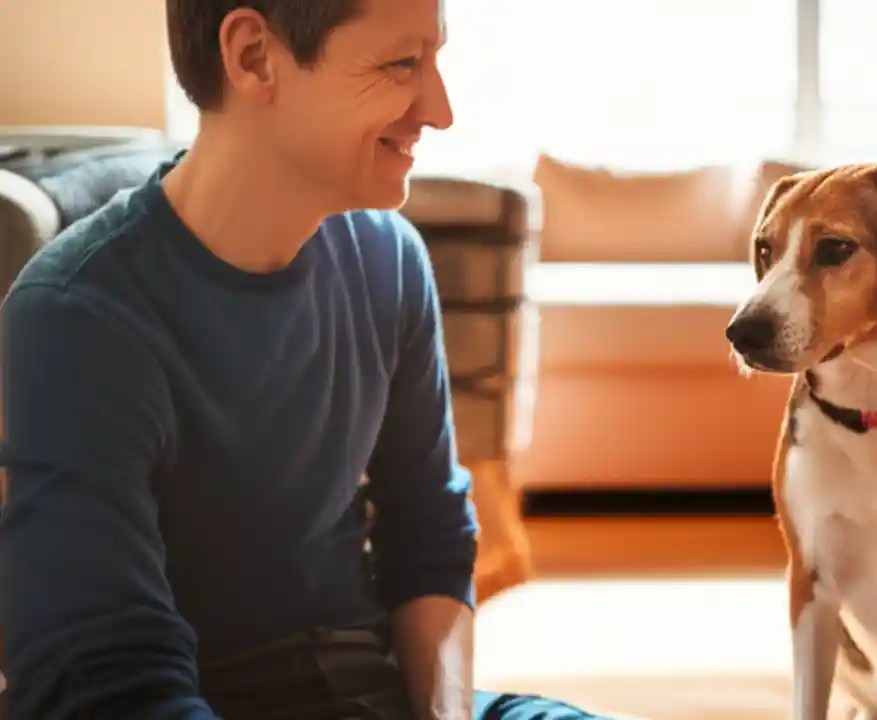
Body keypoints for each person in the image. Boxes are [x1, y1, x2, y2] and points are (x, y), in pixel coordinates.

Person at [0, 1, 610, 718]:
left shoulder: (388, 258)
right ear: (256, 56)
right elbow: (115, 685)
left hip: (366, 689)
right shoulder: (79, 318)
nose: (440, 111)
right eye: (401, 64)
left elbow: (430, 540)